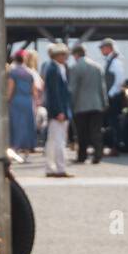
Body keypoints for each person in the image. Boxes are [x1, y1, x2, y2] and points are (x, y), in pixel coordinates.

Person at [69, 43, 108, 164]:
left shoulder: (75, 68)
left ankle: (82, 156)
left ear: (76, 54)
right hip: (96, 104)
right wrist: (104, 102)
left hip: (81, 105)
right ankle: (98, 155)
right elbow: (102, 88)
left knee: (82, 132)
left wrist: (70, 104)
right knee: (96, 131)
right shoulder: (97, 67)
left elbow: (73, 89)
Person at [43, 42, 73, 178]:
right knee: (59, 140)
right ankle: (60, 168)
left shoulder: (54, 68)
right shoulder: (55, 70)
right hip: (58, 111)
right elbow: (54, 93)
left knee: (52, 140)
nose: (65, 57)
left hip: (55, 110)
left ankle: (51, 168)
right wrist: (60, 111)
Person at [7, 50, 38, 157]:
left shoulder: (13, 72)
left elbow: (10, 89)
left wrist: (7, 100)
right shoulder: (30, 73)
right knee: (27, 124)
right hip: (27, 100)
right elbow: (34, 91)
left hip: (16, 100)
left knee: (16, 124)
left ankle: (15, 146)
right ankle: (27, 148)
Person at [99, 39, 126, 154]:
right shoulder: (111, 60)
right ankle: (113, 145)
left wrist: (110, 94)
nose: (101, 50)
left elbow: (119, 80)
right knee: (111, 121)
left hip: (114, 96)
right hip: (111, 95)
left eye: (103, 48)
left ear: (109, 48)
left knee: (114, 122)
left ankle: (117, 146)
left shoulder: (115, 62)